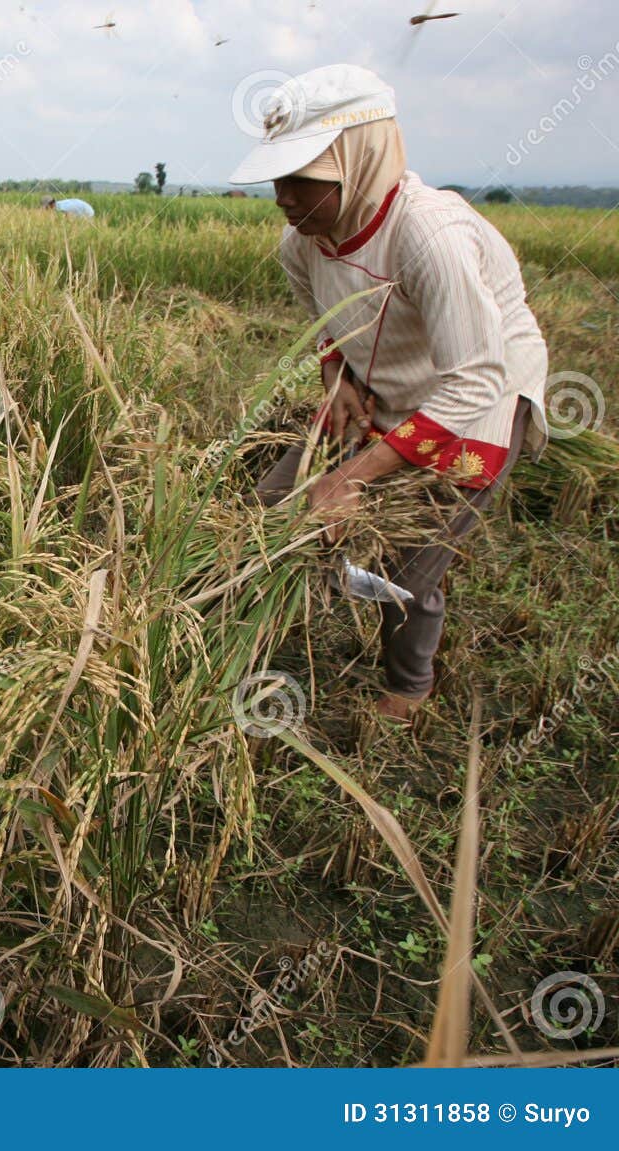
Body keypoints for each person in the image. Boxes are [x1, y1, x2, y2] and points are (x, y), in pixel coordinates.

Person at [230, 64, 547, 723]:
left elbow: (477, 375)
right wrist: (337, 375)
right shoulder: (303, 243)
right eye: (278, 178)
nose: (282, 196)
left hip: (474, 398)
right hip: (382, 386)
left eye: (301, 180)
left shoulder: (431, 236)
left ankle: (408, 686)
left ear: (359, 162)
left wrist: (353, 477)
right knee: (271, 507)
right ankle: (247, 634)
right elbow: (322, 319)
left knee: (410, 564)